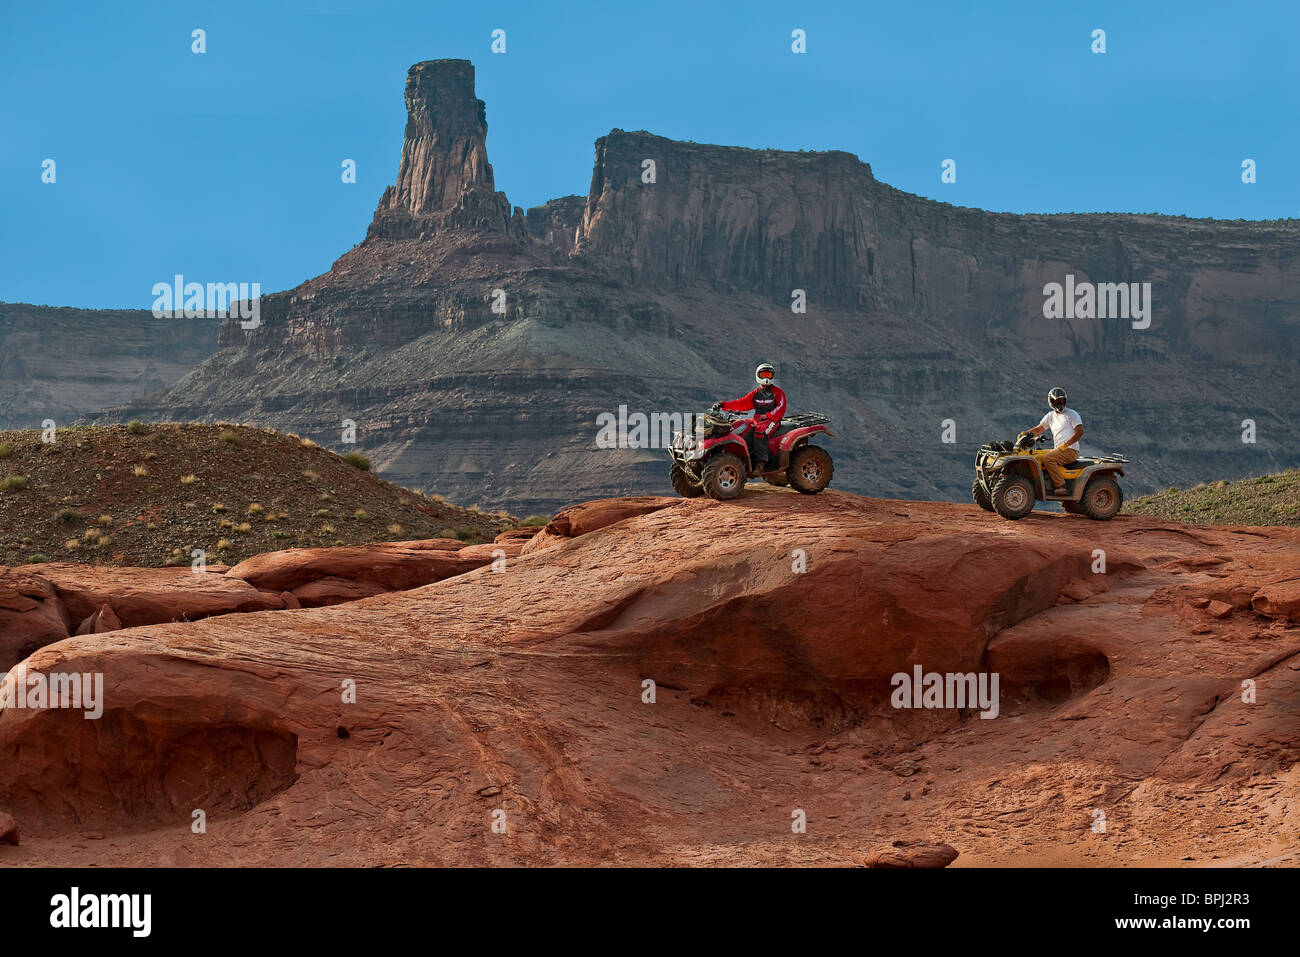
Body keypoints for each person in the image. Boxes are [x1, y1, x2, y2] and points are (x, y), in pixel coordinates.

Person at [713, 363, 787, 473]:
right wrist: (723, 405)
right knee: (739, 426)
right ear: (758, 376)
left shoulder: (778, 393)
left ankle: (760, 463)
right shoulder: (755, 394)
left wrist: (768, 416)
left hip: (772, 420)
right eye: (763, 374)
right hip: (757, 419)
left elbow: (781, 408)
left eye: (768, 374)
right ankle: (743, 457)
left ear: (772, 376)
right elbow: (740, 403)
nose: (766, 378)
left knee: (760, 432)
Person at [1021, 387, 1083, 496]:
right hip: (1059, 450)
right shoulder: (1050, 416)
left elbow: (1080, 432)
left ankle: (1061, 486)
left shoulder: (1072, 414)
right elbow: (1039, 429)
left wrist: (1066, 445)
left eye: (1062, 400)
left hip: (1070, 450)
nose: (1060, 403)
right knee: (1035, 457)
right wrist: (1025, 434)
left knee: (1048, 458)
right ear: (1051, 402)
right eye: (1057, 401)